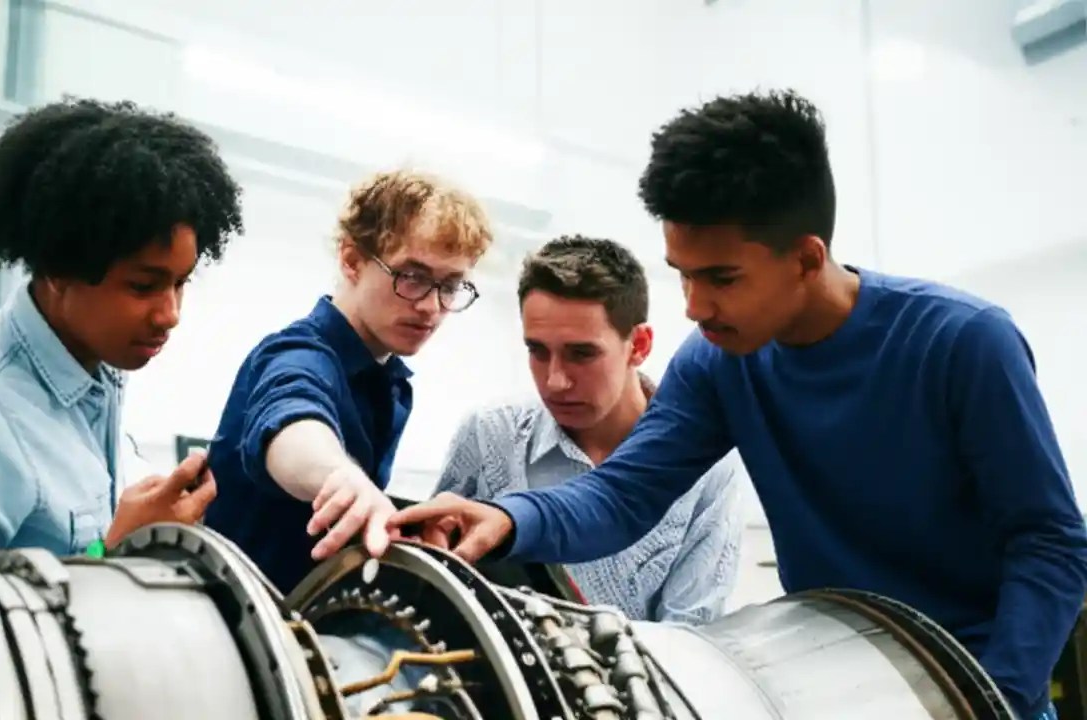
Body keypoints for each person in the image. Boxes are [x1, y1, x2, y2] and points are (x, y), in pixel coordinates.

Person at [389, 89, 1086, 720]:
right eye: (683, 276)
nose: (695, 307)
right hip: (835, 678)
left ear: (807, 259)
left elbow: (1051, 542)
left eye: (721, 277)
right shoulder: (719, 360)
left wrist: (996, 699)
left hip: (972, 684)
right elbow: (624, 496)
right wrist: (508, 518)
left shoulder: (961, 343)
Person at [0, 98, 245, 555]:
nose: (170, 314)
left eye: (180, 283)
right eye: (143, 285)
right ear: (58, 267)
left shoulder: (96, 380)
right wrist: (119, 554)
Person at [203, 169, 495, 592]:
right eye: (411, 277)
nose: (432, 306)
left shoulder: (388, 381)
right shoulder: (296, 355)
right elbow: (290, 420)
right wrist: (340, 477)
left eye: (450, 286)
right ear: (352, 260)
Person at [436, 235, 743, 623]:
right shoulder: (487, 434)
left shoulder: (710, 469)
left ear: (640, 344)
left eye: (582, 354)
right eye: (537, 351)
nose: (555, 381)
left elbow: (691, 636)